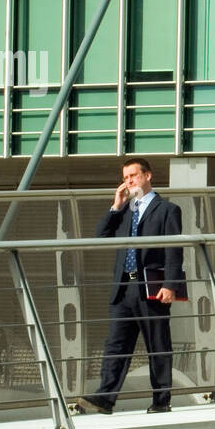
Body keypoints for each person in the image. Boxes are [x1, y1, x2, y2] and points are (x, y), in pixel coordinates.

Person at [74, 157, 185, 415]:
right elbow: (100, 237)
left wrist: (171, 285)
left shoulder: (167, 209)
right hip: (124, 287)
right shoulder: (125, 210)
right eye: (125, 177)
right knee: (115, 345)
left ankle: (161, 400)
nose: (129, 181)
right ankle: (105, 397)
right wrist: (116, 205)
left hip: (151, 288)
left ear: (148, 176)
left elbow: (174, 250)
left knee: (157, 345)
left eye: (133, 175)